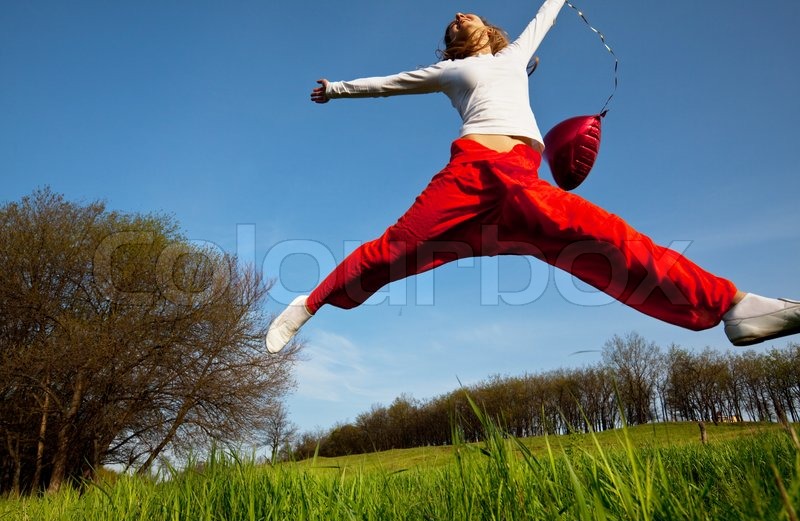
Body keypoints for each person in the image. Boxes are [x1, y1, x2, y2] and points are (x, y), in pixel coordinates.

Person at [266, 1, 800, 354]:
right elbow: (389, 83)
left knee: (612, 238)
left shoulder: (515, 55)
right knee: (392, 250)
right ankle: (308, 304)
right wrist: (337, 88)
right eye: (452, 23)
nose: (458, 13)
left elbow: (548, 12)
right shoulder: (451, 71)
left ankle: (734, 305)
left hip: (524, 181)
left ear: (489, 29)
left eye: (467, 13)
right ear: (452, 45)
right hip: (469, 175)